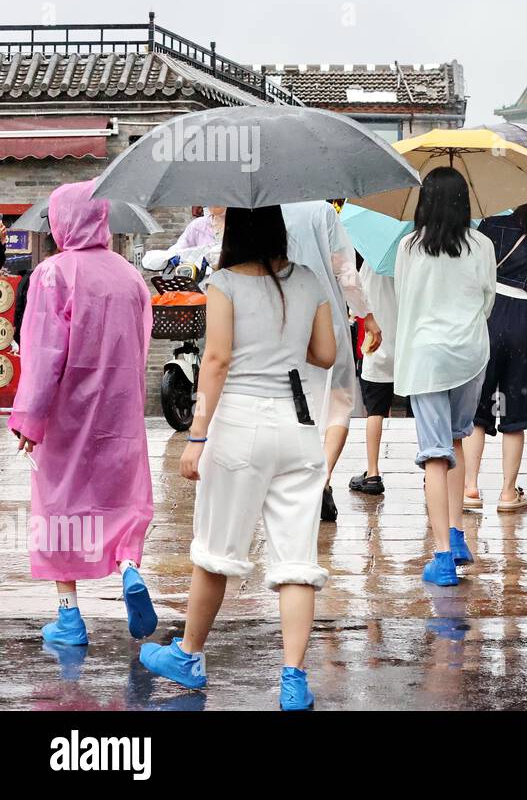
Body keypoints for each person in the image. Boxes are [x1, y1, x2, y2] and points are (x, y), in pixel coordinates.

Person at [138, 206, 336, 710]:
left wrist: (196, 434)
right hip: (297, 428)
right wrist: (284, 340)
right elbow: (326, 353)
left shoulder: (224, 283)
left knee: (216, 549)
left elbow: (218, 359)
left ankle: (188, 654)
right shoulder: (309, 279)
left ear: (237, 232)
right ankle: (293, 679)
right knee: (296, 560)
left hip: (239, 427)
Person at [9, 182, 157, 651]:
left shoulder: (54, 274)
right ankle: (130, 568)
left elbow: (43, 353)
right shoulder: (130, 277)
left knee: (60, 507)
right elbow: (142, 342)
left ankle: (70, 617)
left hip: (68, 415)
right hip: (122, 413)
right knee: (121, 499)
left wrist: (29, 420)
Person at [393, 169, 496, 586]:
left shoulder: (408, 247)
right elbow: (488, 297)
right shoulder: (483, 245)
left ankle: (442, 559)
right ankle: (456, 535)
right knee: (456, 438)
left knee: (435, 454)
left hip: (426, 356)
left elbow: (404, 297)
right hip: (471, 352)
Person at [461, 198, 527, 512]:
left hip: (489, 317)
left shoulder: (490, 226)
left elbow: (471, 274)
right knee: (516, 413)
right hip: (525, 321)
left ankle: (470, 488)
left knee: (478, 411)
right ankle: (508, 493)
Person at [282, 201, 382, 522]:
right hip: (328, 320)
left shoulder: (265, 211)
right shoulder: (323, 213)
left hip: (281, 321)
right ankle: (322, 478)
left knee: (293, 404)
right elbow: (346, 273)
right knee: (339, 402)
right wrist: (368, 317)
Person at [348, 258, 398, 495]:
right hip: (409, 348)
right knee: (422, 410)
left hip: (377, 347)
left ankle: (373, 472)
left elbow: (359, 299)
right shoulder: (413, 254)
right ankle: (431, 472)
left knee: (375, 411)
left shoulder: (370, 263)